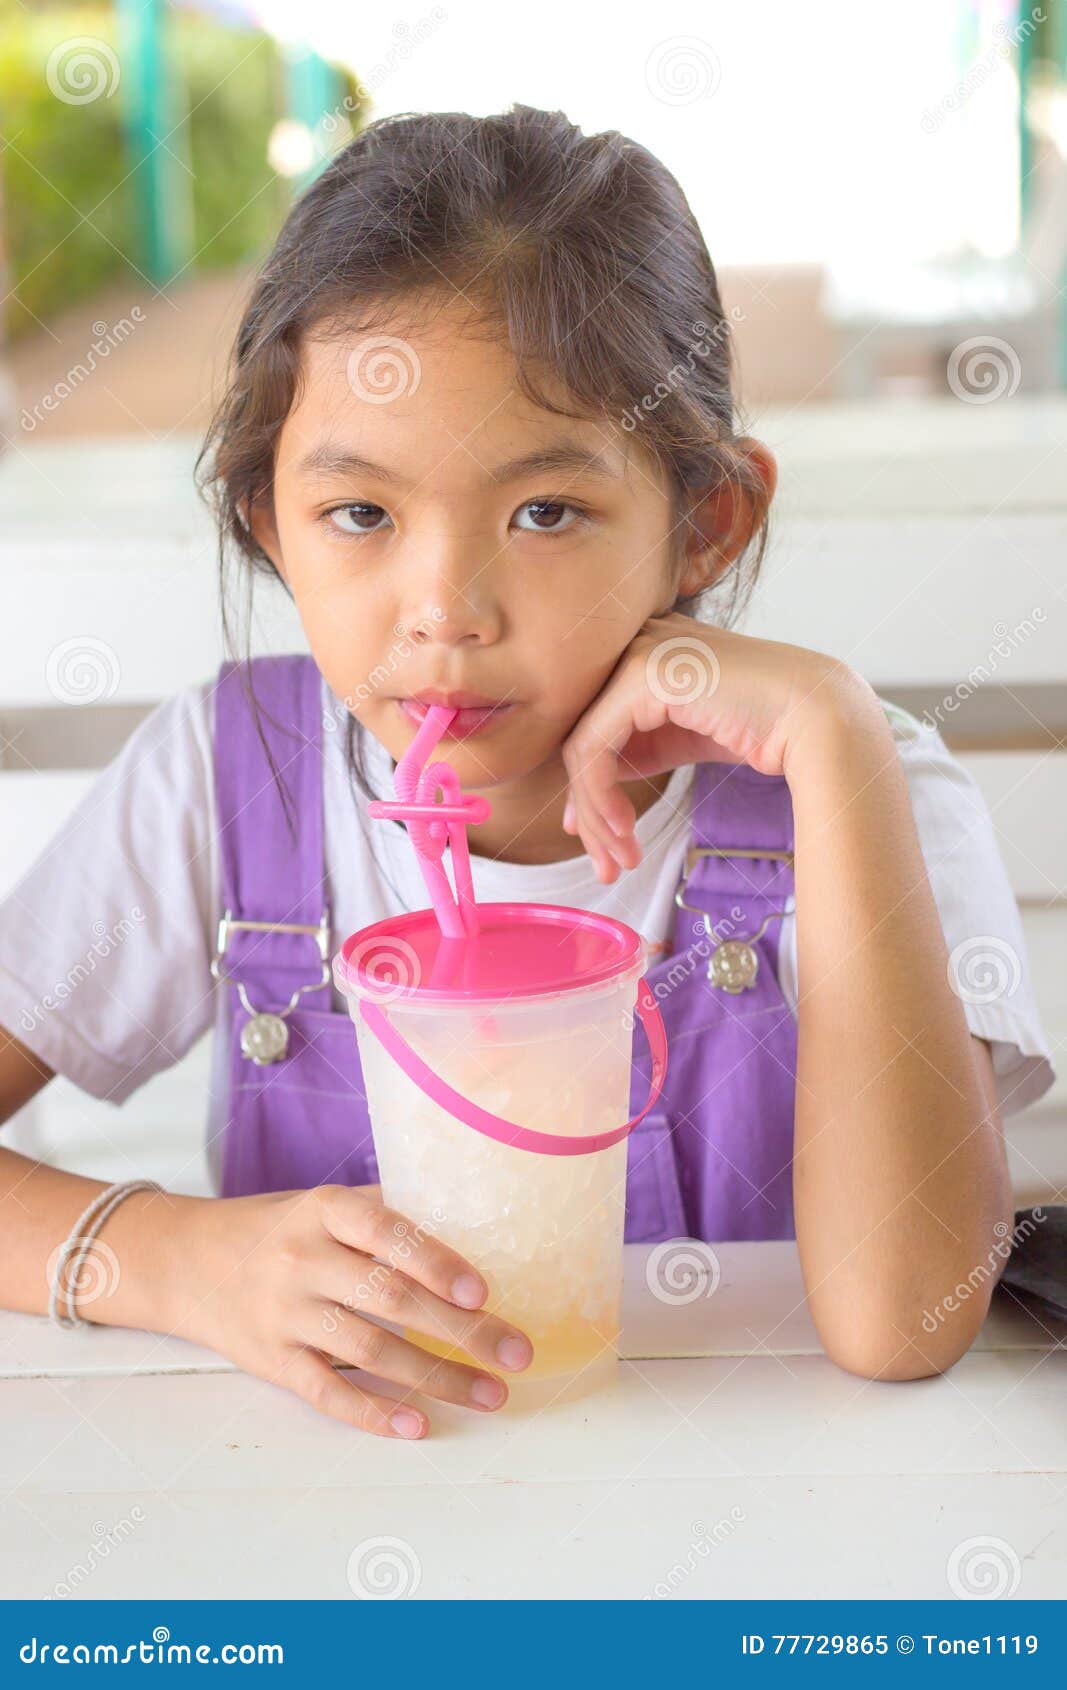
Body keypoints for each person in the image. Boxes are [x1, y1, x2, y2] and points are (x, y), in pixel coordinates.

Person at [0, 107, 1054, 1441]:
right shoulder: (225, 784)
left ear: (705, 522)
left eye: (545, 511)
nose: (444, 608)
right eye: (361, 513)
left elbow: (905, 1316)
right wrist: (169, 1258)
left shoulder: (853, 790)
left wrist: (833, 733)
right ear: (271, 519)